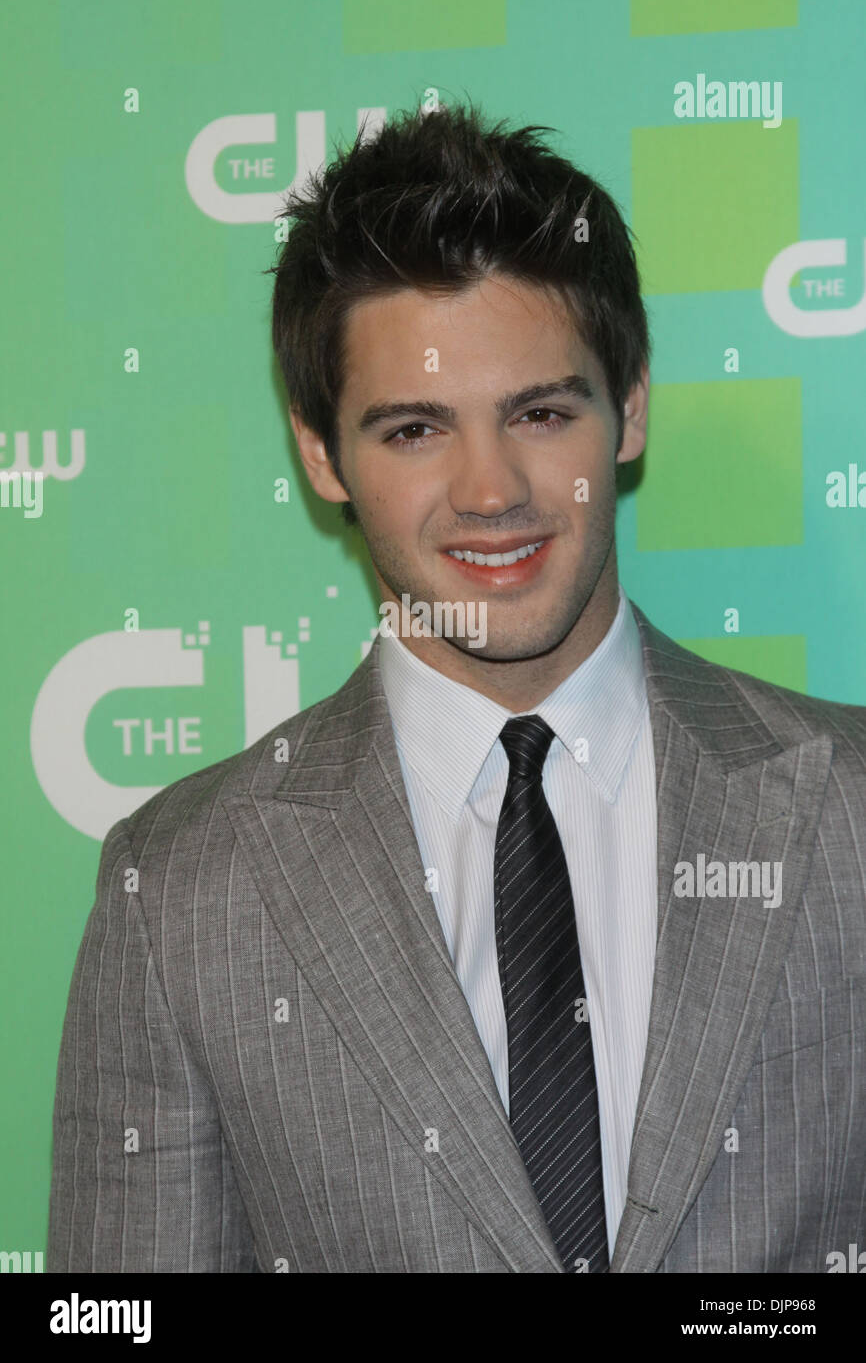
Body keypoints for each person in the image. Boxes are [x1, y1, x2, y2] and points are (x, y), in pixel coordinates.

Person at [48, 100, 866, 1274]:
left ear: (627, 408)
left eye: (538, 412)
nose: (490, 491)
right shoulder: (180, 894)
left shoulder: (844, 808)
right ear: (320, 453)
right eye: (415, 429)